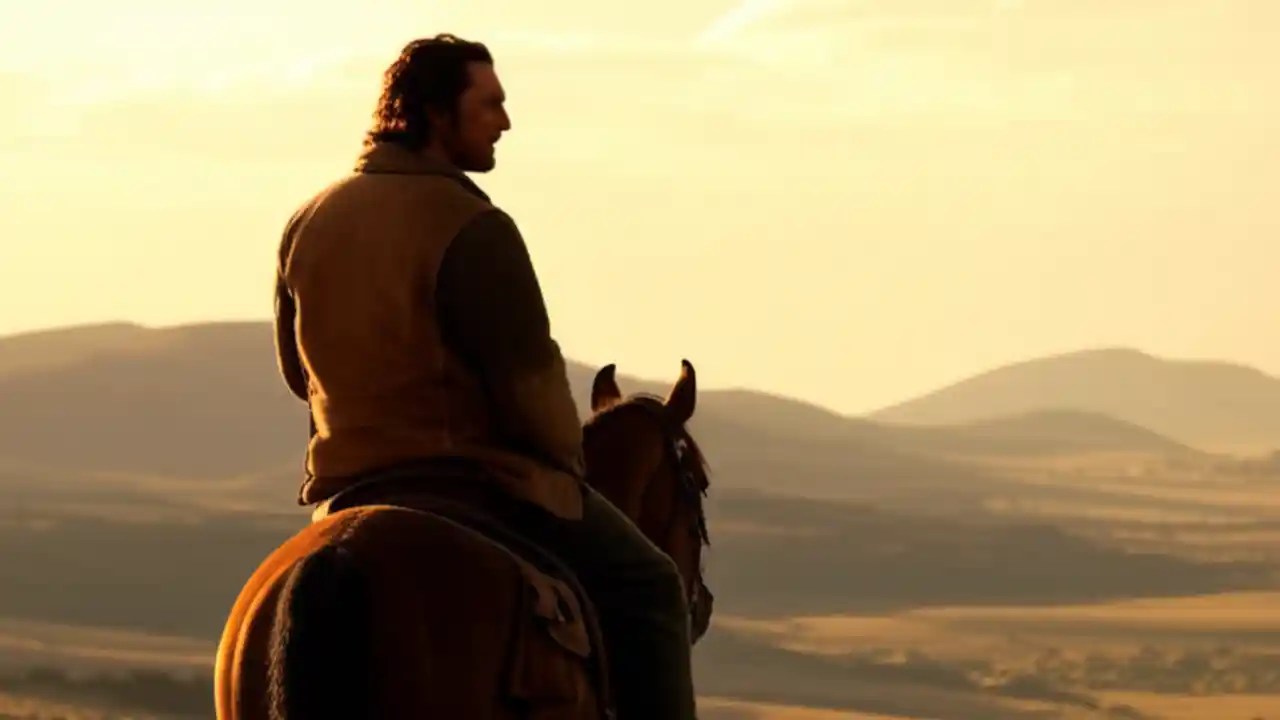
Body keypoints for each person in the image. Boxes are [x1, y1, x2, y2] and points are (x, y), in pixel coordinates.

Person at [271, 34, 697, 719]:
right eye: (489, 103)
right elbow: (530, 389)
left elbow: (298, 374)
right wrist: (567, 463)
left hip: (347, 488)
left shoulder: (308, 222)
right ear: (437, 115)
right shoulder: (471, 225)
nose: (505, 121)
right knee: (649, 588)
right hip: (477, 482)